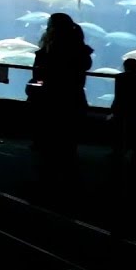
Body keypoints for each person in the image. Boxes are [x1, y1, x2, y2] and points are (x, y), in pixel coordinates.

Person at [30, 12, 93, 161]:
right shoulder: (81, 51)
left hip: (48, 101)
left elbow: (39, 77)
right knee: (69, 144)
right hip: (74, 100)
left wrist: (32, 88)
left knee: (48, 146)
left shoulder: (47, 52)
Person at [111, 57, 136, 165]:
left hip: (121, 109)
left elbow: (118, 95)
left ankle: (118, 153)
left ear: (125, 67)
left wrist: (114, 107)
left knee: (119, 132)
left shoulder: (120, 77)